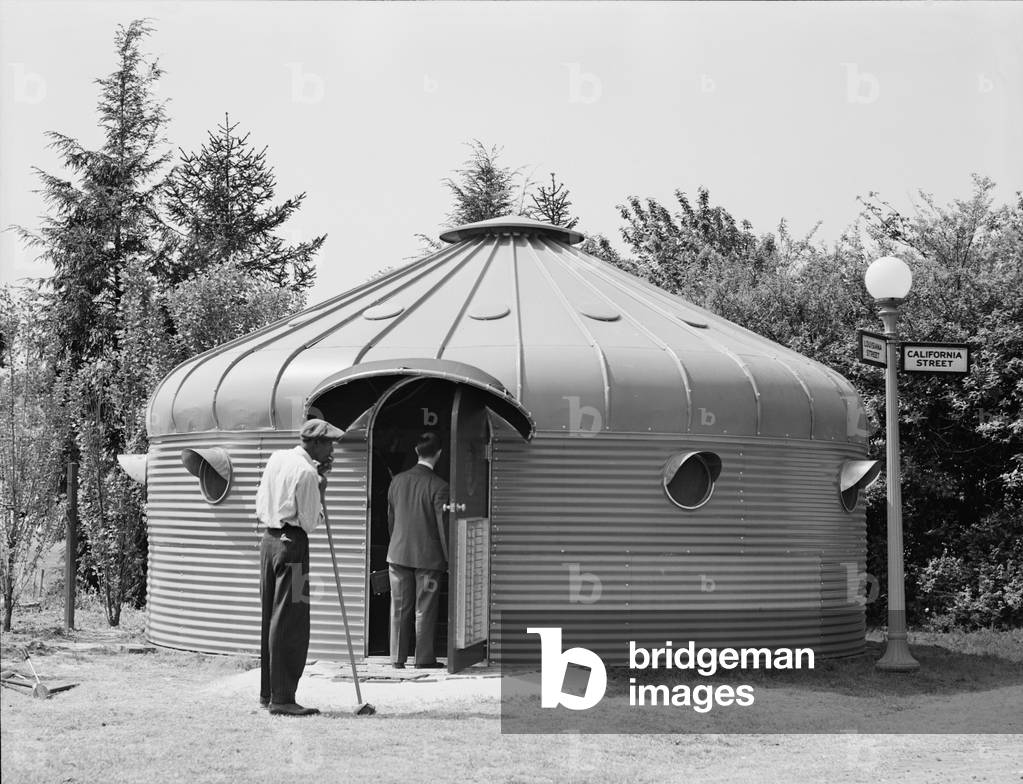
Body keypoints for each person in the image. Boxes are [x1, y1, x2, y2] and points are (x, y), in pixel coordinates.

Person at [255, 418, 344, 715]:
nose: (332, 450)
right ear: (315, 443)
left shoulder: (278, 457)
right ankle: (283, 699)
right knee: (291, 620)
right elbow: (308, 521)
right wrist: (323, 489)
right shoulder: (308, 474)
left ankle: (268, 693)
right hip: (292, 545)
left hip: (268, 543)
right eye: (329, 443)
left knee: (271, 616)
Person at [387, 432, 449, 669]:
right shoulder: (439, 486)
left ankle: (397, 658)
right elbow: (443, 528)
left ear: (416, 451)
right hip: (428, 560)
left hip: (398, 554)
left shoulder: (397, 481)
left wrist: (396, 543)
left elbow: (391, 519)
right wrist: (449, 559)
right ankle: (423, 659)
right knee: (425, 608)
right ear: (440, 453)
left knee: (399, 607)